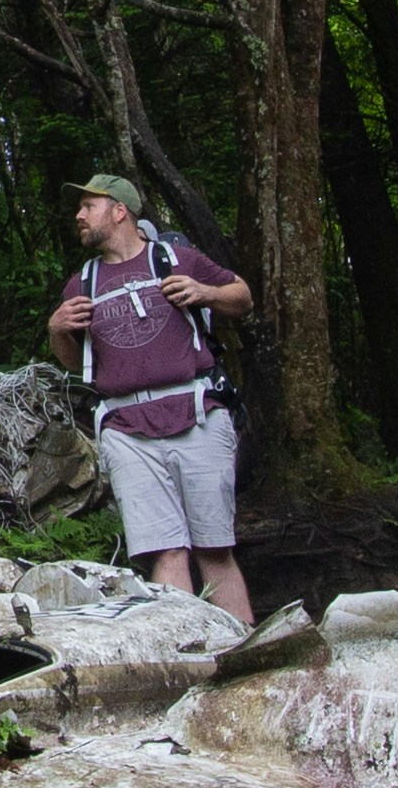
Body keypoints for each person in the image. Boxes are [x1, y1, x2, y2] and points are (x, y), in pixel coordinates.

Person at [41, 172, 255, 620]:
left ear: (120, 211)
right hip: (126, 429)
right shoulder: (82, 283)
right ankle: (187, 654)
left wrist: (205, 292)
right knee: (166, 552)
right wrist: (57, 328)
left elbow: (243, 297)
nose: (79, 216)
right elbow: (71, 361)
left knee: (214, 550)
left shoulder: (175, 258)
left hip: (196, 414)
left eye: (89, 207)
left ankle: (246, 651)